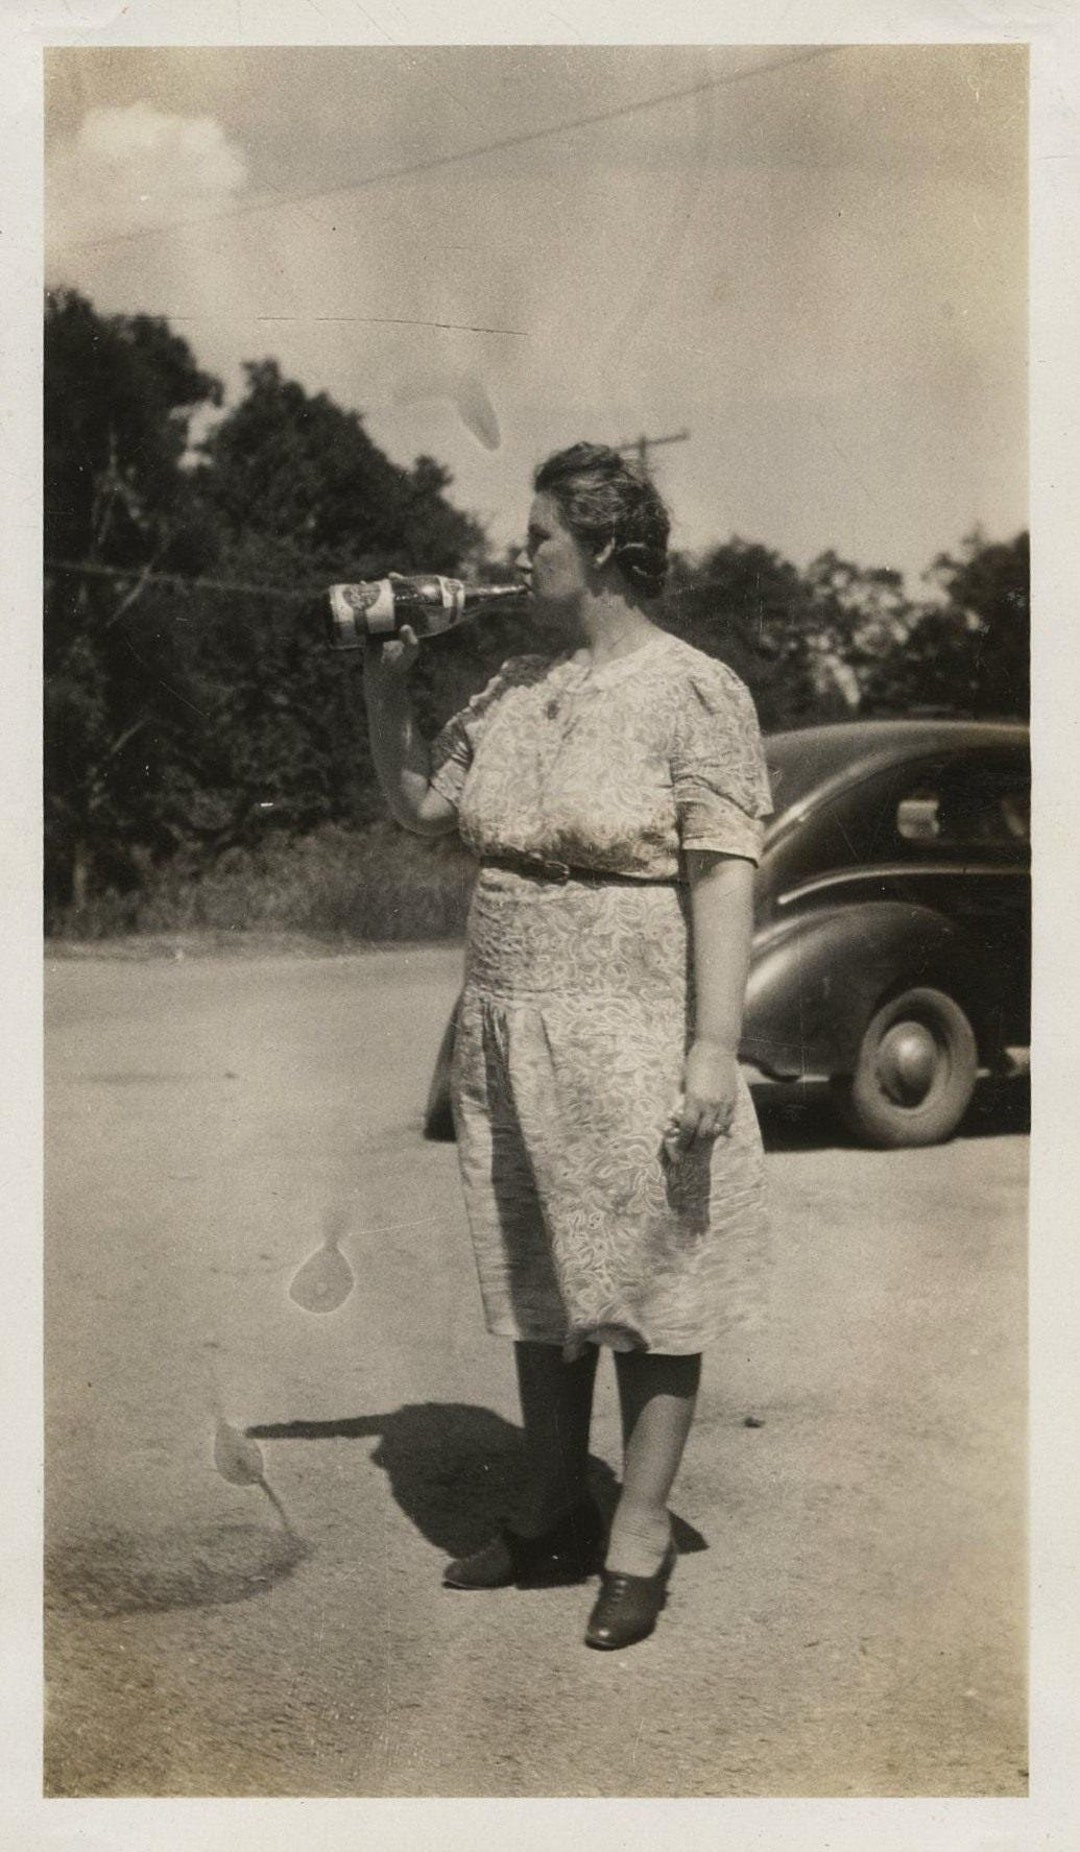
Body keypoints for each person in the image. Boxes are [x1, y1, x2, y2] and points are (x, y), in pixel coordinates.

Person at [362, 443, 772, 1650]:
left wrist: (712, 1046)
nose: (518, 554)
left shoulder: (693, 689)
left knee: (649, 1278)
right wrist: (384, 683)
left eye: (538, 535)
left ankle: (635, 1531)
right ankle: (548, 1515)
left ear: (601, 548)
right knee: (543, 1280)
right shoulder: (512, 687)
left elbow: (723, 874)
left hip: (631, 1024)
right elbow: (421, 807)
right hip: (506, 1018)